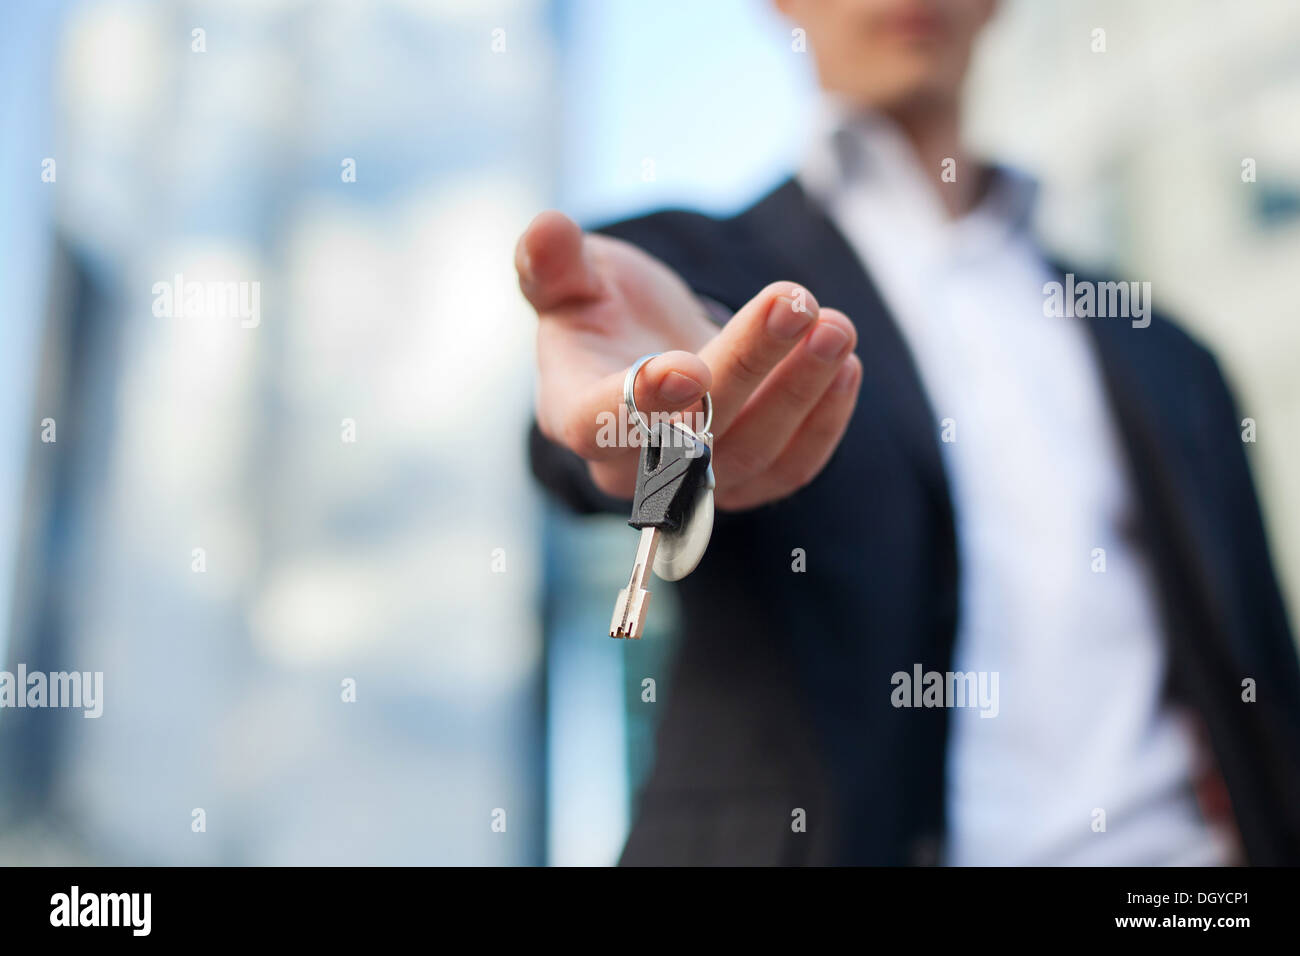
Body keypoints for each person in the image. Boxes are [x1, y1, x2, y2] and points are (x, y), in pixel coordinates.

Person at [518, 0, 1300, 865]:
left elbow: (1265, 680)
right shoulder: (694, 272)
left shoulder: (1169, 354)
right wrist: (663, 430)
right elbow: (600, 436)